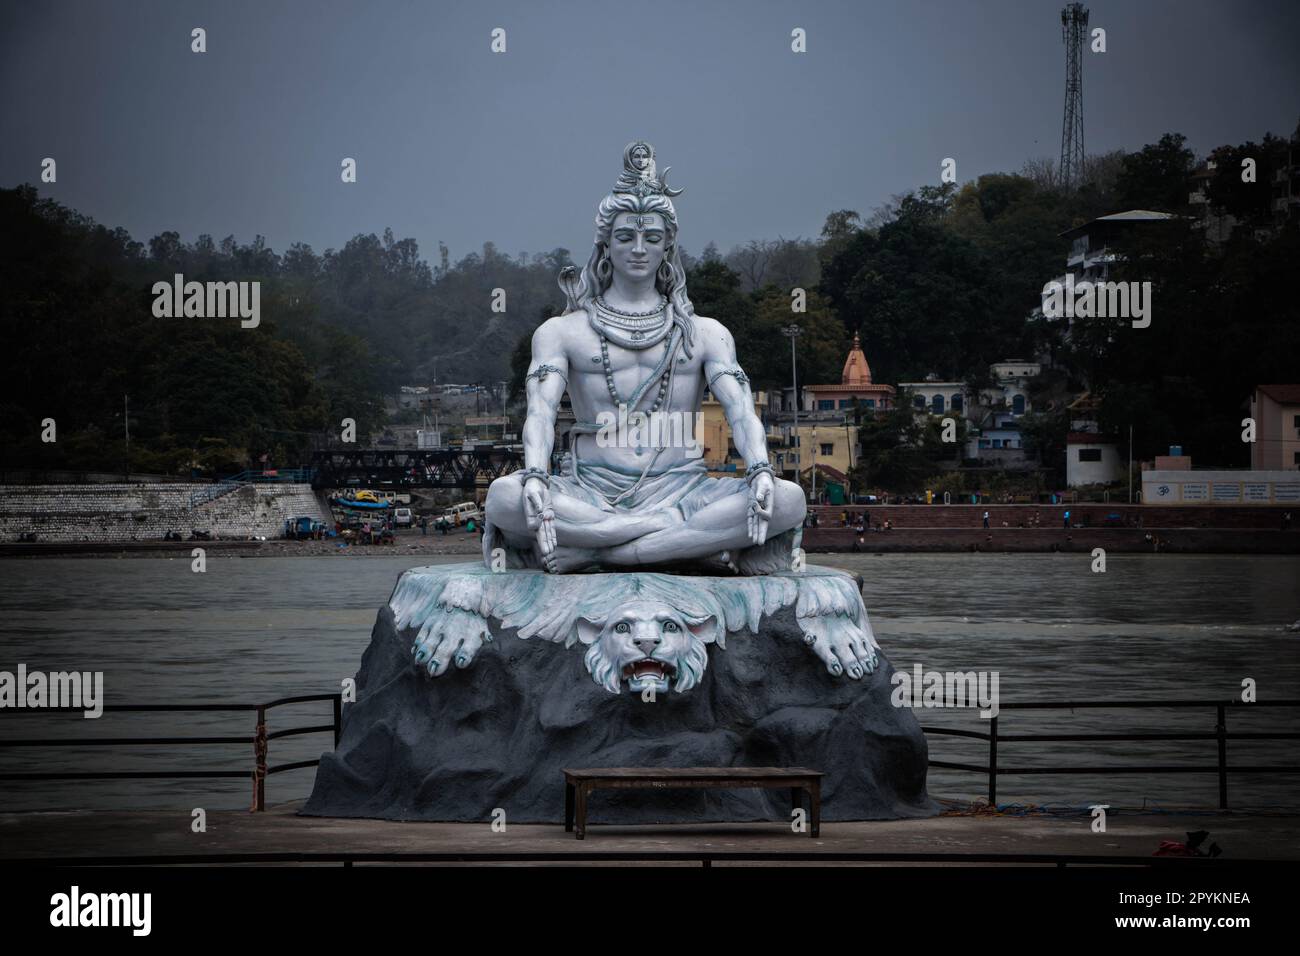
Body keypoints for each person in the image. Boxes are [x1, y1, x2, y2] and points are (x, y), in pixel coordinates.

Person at [479, 142, 805, 574]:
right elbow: (539, 412)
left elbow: (742, 413)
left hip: (683, 489)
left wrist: (760, 468)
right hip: (591, 492)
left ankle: (602, 552)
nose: (638, 248)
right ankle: (680, 543)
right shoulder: (563, 332)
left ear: (667, 246)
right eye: (625, 236)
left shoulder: (705, 333)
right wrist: (536, 474)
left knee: (787, 499)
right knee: (505, 497)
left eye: (651, 238)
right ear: (605, 244)